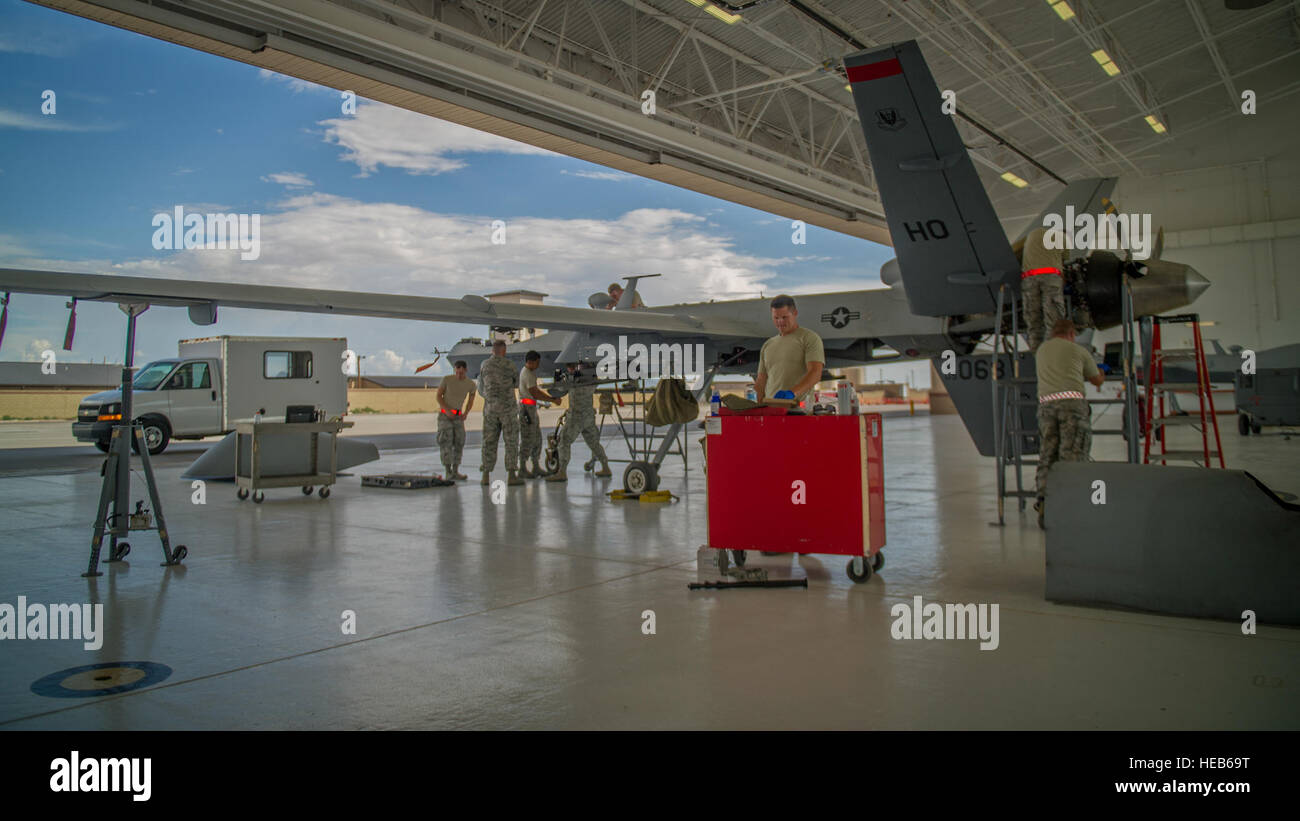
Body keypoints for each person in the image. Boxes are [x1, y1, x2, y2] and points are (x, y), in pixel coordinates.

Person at [1034, 318, 1105, 527]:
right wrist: (1101, 373)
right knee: (1072, 455)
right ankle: (1071, 504)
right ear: (1072, 334)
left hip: (1046, 407)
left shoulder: (1042, 350)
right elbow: (1096, 380)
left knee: (1048, 453)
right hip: (1072, 406)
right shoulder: (1079, 351)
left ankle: (1044, 500)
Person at [754, 294, 825, 406]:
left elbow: (815, 373)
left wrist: (792, 393)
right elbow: (761, 380)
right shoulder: (767, 345)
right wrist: (758, 405)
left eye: (784, 317)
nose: (780, 322)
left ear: (795, 313)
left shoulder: (809, 338)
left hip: (799, 410)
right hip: (772, 410)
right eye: (776, 318)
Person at [546, 362, 611, 482]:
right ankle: (605, 467)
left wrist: (558, 379)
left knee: (564, 441)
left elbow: (561, 388)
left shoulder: (574, 379)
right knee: (594, 444)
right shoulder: (591, 380)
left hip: (575, 417)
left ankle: (562, 472)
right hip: (588, 417)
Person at [477, 340, 523, 487]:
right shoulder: (510, 365)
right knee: (511, 441)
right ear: (504, 351)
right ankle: (511, 475)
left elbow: (480, 388)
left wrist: (491, 399)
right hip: (508, 410)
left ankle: (485, 475)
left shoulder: (484, 365)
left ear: (492, 351)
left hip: (490, 410)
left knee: (488, 441)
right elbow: (517, 383)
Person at [1021, 225, 1070, 352]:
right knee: (1053, 320)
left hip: (1029, 278)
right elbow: (1064, 262)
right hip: (1050, 277)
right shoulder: (1062, 238)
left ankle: (1037, 354)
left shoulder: (1034, 232)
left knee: (1033, 320)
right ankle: (1051, 353)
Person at [518, 350, 558, 478]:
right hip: (526, 408)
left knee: (536, 438)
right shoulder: (527, 374)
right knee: (527, 438)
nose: (539, 365)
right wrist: (552, 399)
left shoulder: (530, 373)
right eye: (537, 362)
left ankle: (535, 466)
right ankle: (523, 468)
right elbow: (535, 393)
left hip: (531, 407)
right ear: (531, 361)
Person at [435, 360, 475, 480]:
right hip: (445, 416)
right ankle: (448, 471)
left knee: (459, 442)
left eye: (461, 373)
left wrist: (466, 413)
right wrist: (447, 410)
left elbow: (471, 400)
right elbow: (438, 396)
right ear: (454, 370)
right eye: (457, 372)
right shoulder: (447, 379)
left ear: (466, 371)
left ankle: (456, 471)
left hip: (458, 417)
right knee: (445, 442)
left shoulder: (470, 384)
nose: (459, 375)